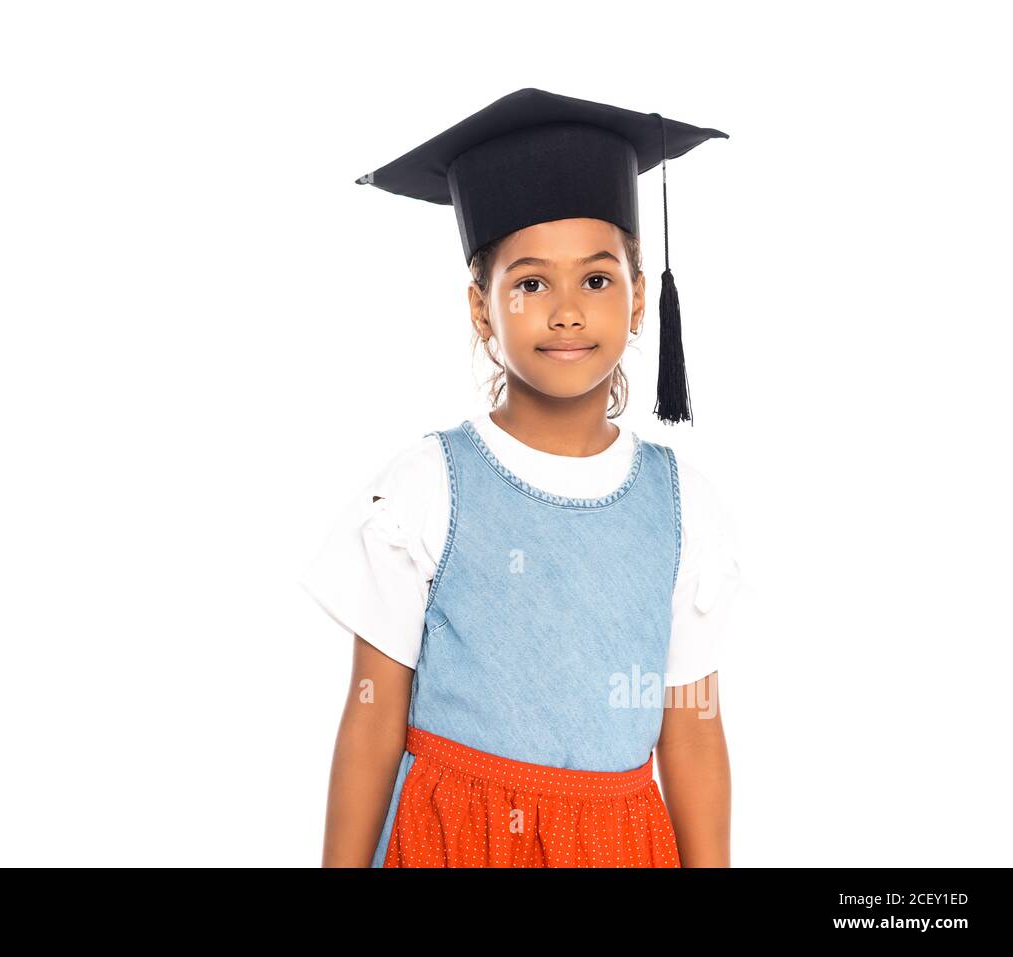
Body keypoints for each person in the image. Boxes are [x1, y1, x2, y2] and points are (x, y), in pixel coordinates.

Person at [301, 88, 743, 867]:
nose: (566, 311)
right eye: (531, 284)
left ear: (640, 298)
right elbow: (373, 716)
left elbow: (694, 727)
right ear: (482, 310)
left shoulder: (681, 508)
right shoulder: (429, 486)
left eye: (598, 281)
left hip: (615, 846)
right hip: (453, 841)